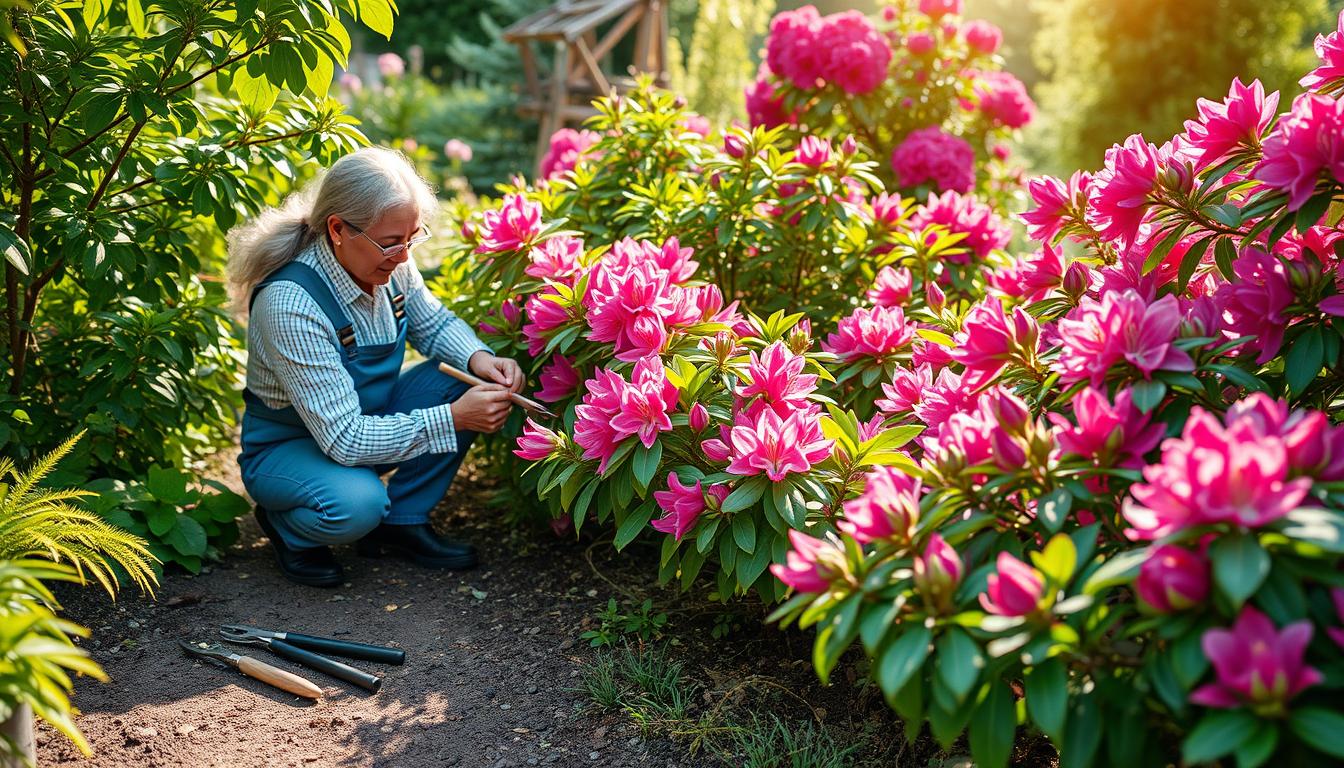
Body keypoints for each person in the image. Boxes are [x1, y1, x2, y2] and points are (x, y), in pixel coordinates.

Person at [226, 147, 523, 587]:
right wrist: (456, 418)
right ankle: (289, 528)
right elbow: (344, 439)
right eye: (390, 243)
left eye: (412, 237)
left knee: (469, 383)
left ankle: (403, 520)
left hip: (365, 421)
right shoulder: (290, 302)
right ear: (338, 229)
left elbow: (433, 322)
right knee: (358, 505)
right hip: (292, 447)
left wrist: (480, 358)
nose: (403, 255)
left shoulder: (388, 257)